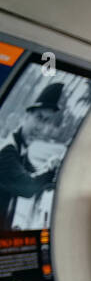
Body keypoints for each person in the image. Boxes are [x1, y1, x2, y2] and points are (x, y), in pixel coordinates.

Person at [0, 83, 62, 232]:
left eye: (46, 121)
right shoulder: (7, 151)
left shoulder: (21, 150)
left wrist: (52, 173)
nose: (41, 127)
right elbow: (27, 187)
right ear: (26, 116)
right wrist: (50, 169)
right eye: (39, 118)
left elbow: (31, 173)